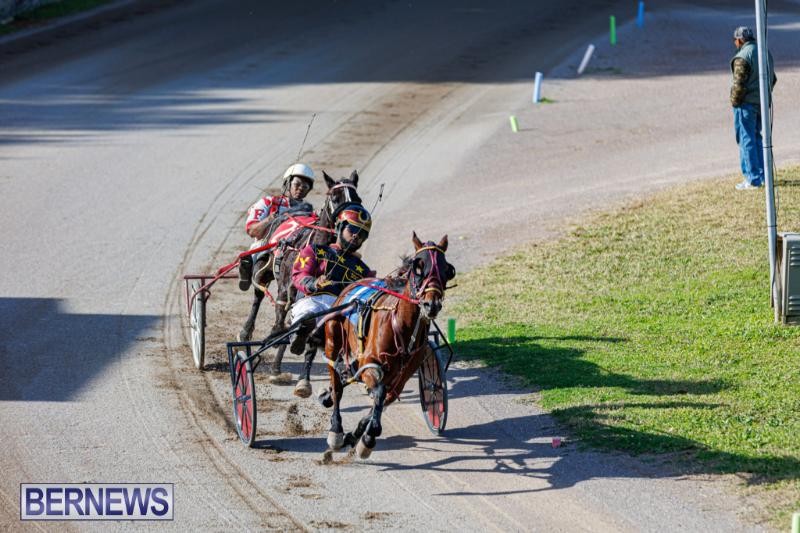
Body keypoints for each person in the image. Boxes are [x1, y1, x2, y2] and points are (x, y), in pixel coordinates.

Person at [288, 204, 376, 355]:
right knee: (309, 313)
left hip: (341, 309)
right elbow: (299, 275)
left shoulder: (364, 270)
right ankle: (300, 334)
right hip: (312, 300)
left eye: (362, 234)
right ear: (339, 228)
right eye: (352, 230)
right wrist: (314, 283)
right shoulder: (315, 250)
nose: (356, 236)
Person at [238, 163, 315, 290]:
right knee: (259, 246)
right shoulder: (269, 202)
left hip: (294, 249)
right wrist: (269, 219)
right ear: (288, 184)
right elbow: (252, 230)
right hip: (268, 245)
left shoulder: (309, 211)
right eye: (297, 184)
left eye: (305, 186)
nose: (301, 188)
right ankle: (247, 271)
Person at [730, 26, 777, 190]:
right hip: (762, 103)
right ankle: (763, 175)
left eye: (735, 40)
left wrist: (735, 102)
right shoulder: (764, 51)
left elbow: (738, 84)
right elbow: (773, 78)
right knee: (757, 138)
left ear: (739, 40)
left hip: (746, 105)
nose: (735, 43)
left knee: (746, 139)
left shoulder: (742, 56)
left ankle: (752, 179)